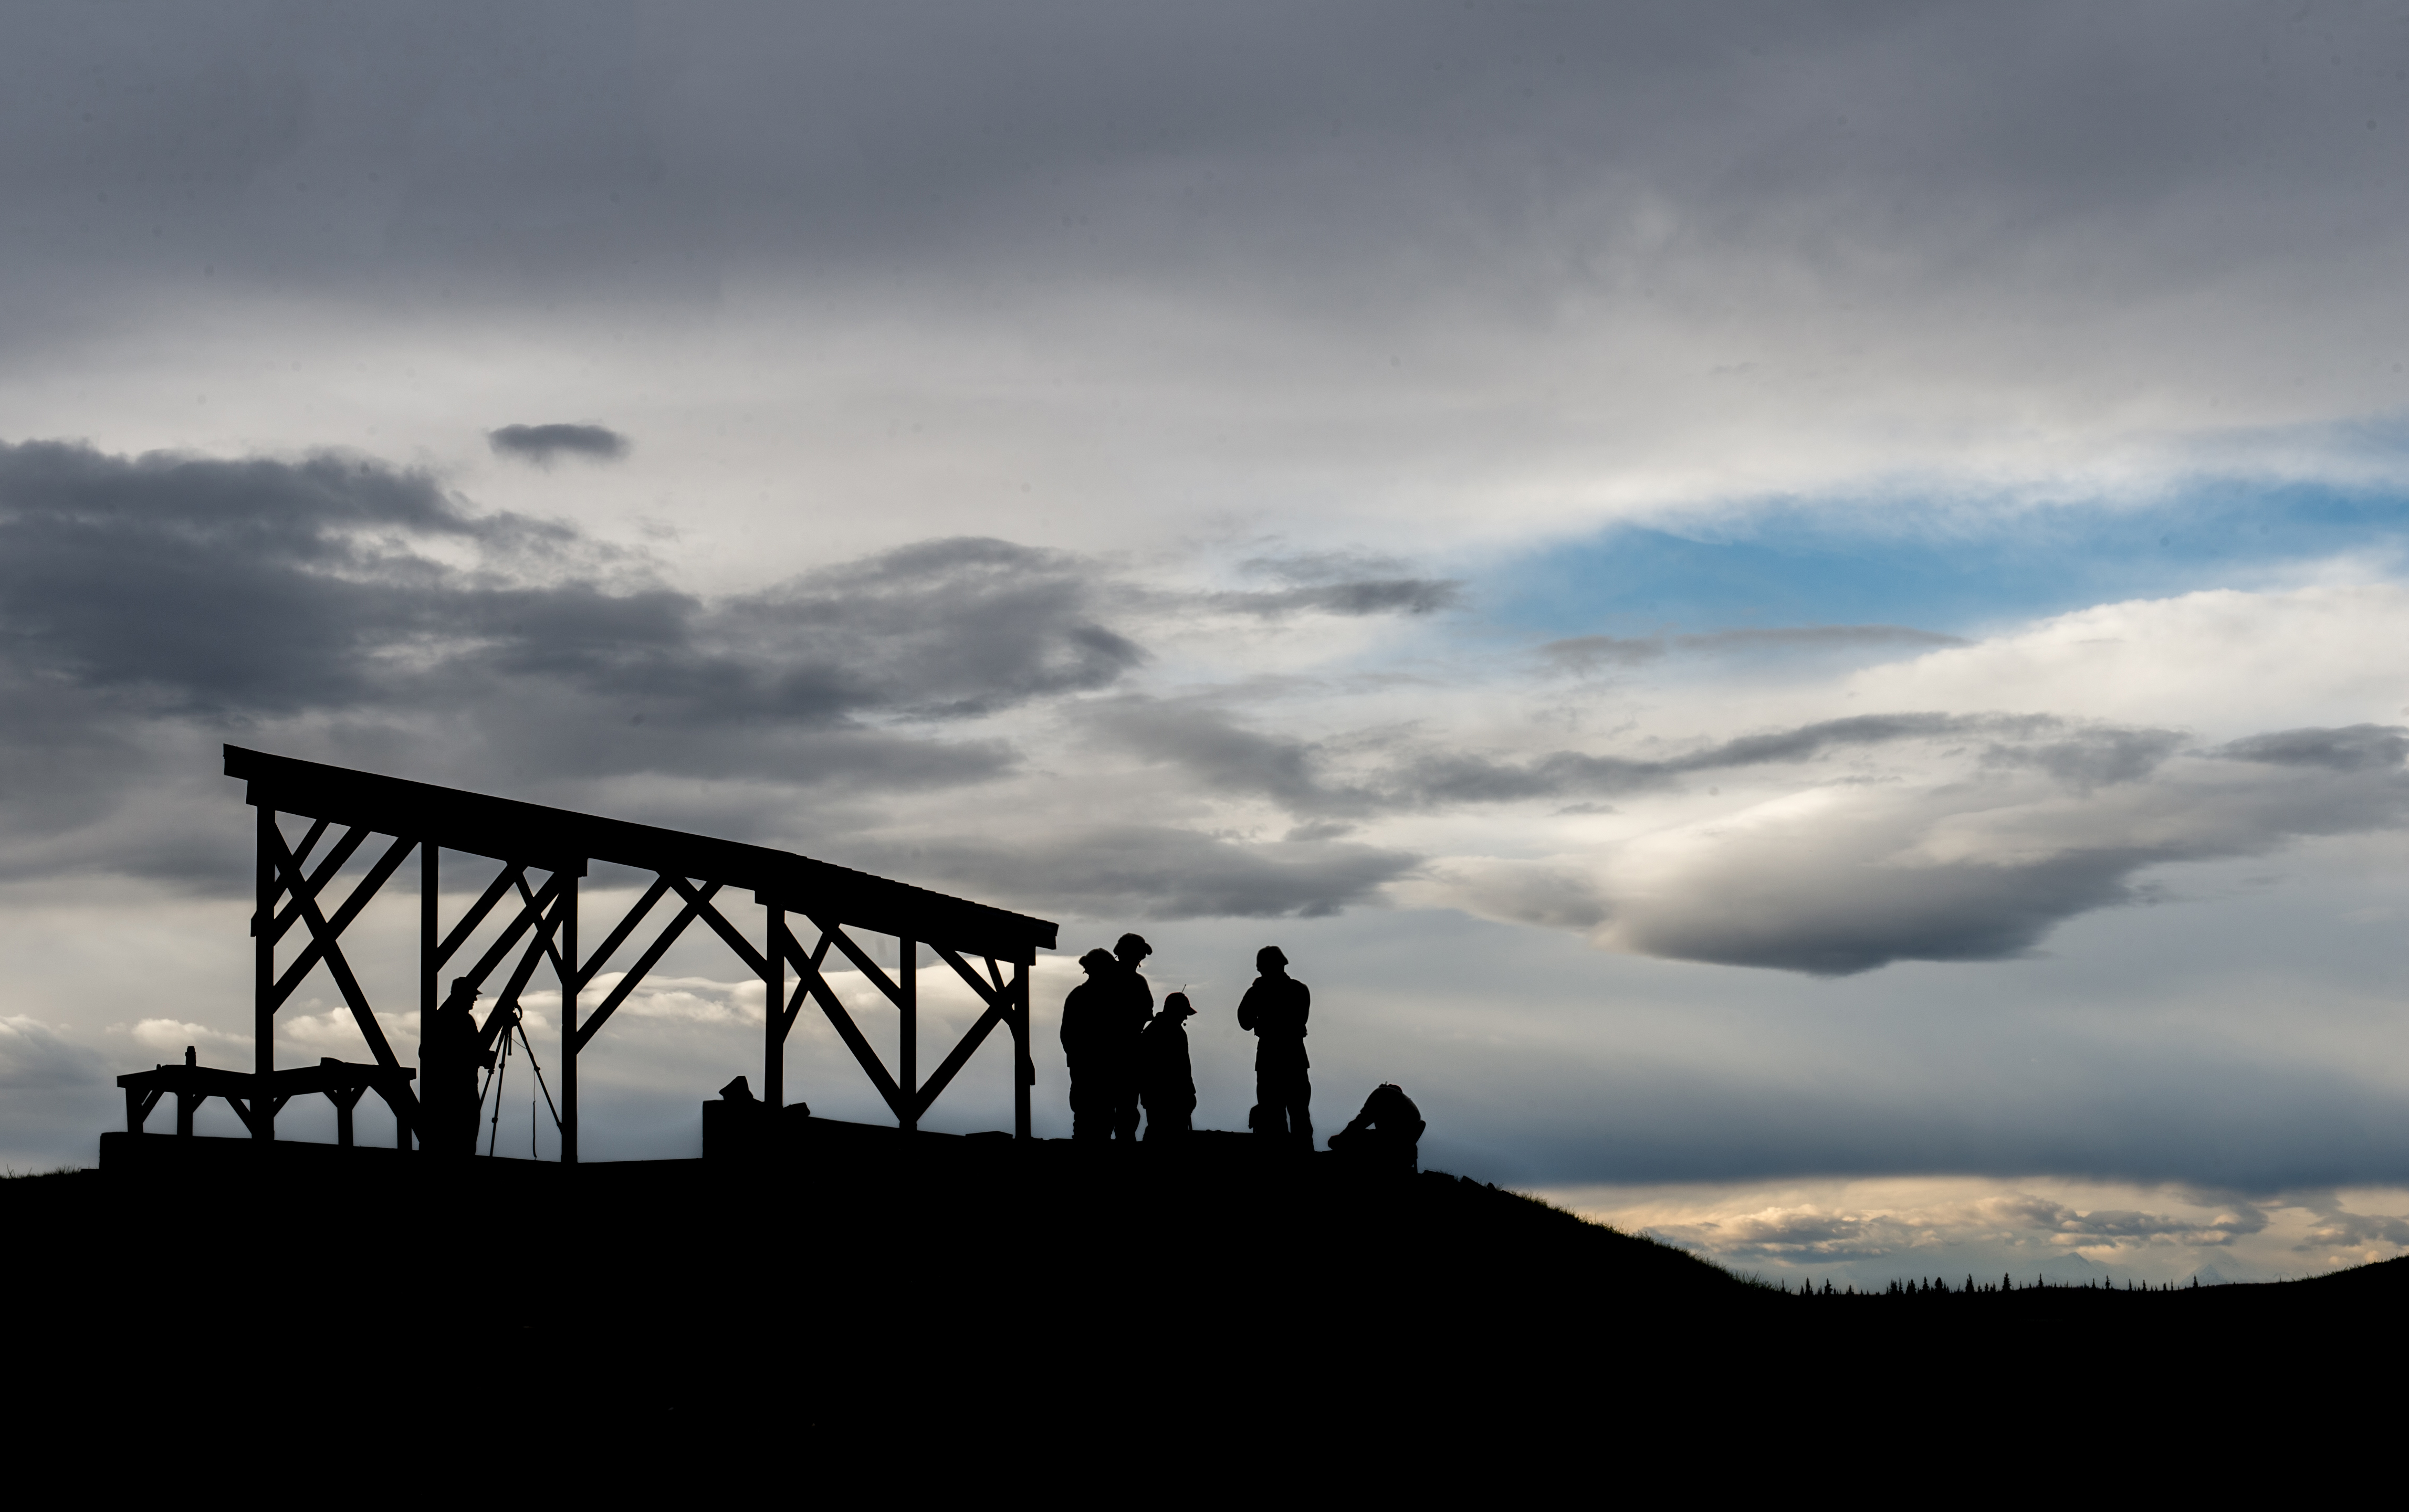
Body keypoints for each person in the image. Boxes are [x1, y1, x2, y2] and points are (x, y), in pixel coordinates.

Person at [1061, 948, 1146, 1143]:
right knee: (1103, 1118)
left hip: (1089, 1069)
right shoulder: (1117, 998)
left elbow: (1067, 1036)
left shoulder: (1079, 996)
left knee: (1090, 1120)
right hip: (1102, 1070)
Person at [1235, 946, 1311, 1150]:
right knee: (1299, 1117)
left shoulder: (1258, 992)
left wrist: (1259, 1000)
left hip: (1271, 1062)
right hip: (1294, 1060)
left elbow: (1245, 1022)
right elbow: (1299, 1021)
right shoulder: (1300, 990)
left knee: (1275, 1119)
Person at [1107, 932, 1156, 1141]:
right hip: (1114, 1055)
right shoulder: (1115, 980)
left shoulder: (1112, 979)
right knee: (1118, 1110)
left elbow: (1146, 1013)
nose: (1141, 959)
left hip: (1124, 1055)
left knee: (1123, 1111)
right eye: (1139, 955)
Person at [1327, 1083, 1425, 1173]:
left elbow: (1361, 1122)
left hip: (1387, 1150)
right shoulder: (1406, 1106)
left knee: (1354, 1137)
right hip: (1407, 1155)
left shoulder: (1382, 1094)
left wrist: (1342, 1137)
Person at [1138, 991, 1197, 1141]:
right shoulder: (1175, 1033)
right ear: (1175, 1011)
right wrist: (1189, 1094)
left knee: (1158, 1133)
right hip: (1171, 1099)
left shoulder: (1151, 1031)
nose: (1186, 1017)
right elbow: (1182, 1069)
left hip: (1156, 1098)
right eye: (1184, 1013)